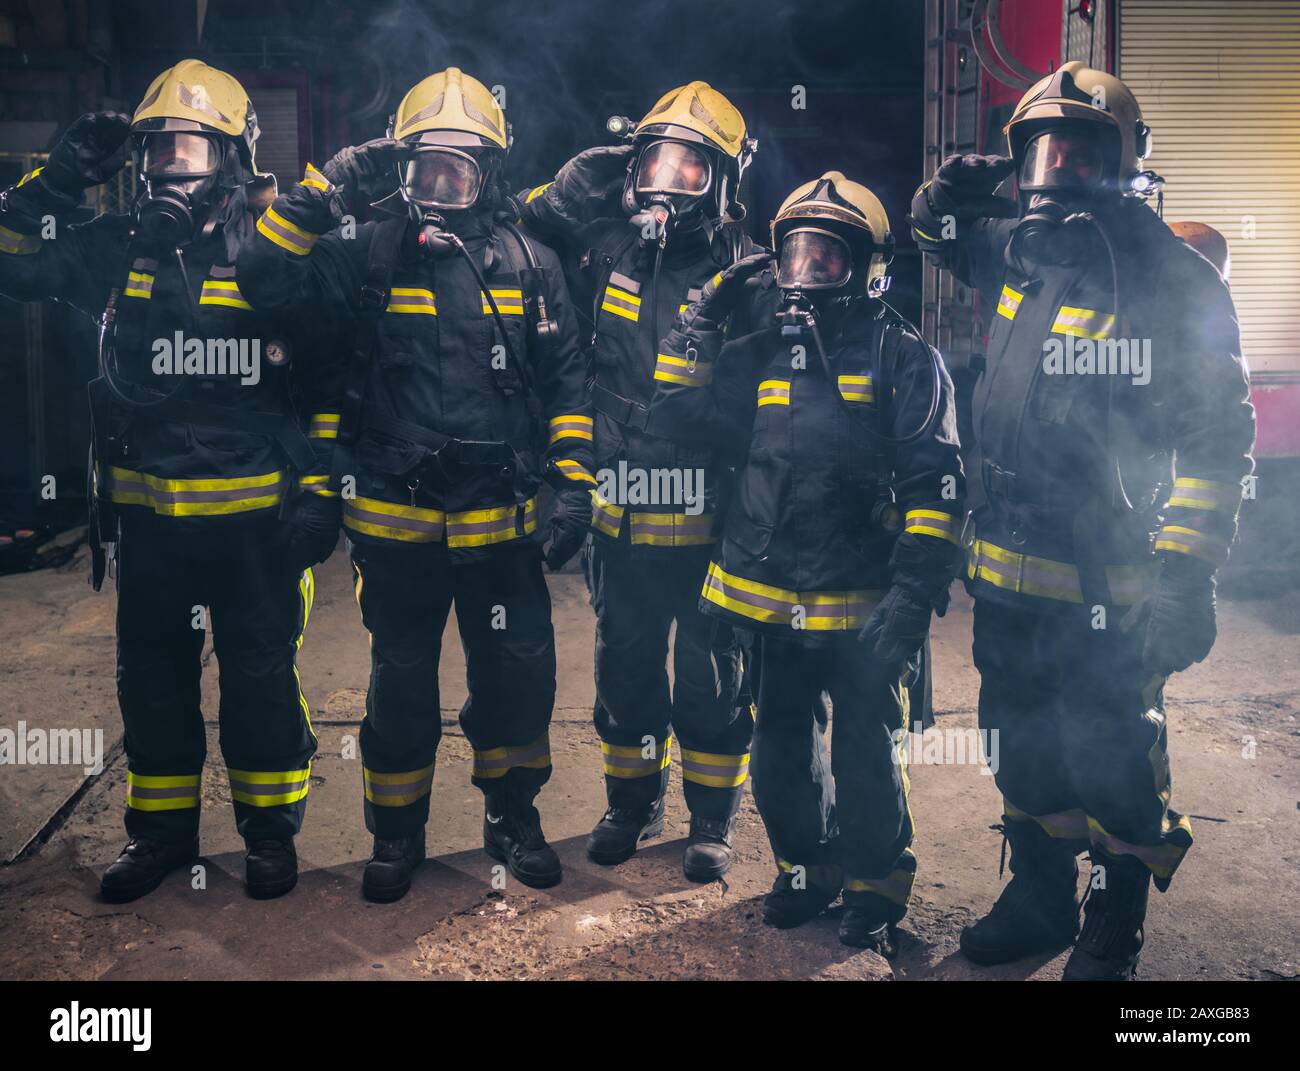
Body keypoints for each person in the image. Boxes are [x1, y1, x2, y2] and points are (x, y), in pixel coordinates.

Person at [910, 61, 1256, 979]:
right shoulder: (1024, 251)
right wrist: (948, 190)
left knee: (1111, 761)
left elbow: (1218, 442)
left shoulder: (1171, 280)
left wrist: (1187, 574)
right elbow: (932, 234)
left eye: (1080, 150)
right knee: (1018, 744)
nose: (1058, 169)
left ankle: (1113, 924)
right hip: (1009, 570)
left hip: (1113, 581)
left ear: (1124, 162)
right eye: (1041, 150)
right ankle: (1037, 898)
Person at [238, 67, 592, 902]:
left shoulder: (531, 266)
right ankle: (396, 835)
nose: (439, 190)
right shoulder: (362, 252)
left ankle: (513, 817)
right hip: (395, 526)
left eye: (457, 172)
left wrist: (573, 484)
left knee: (516, 680)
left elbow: (568, 386)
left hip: (501, 528)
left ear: (488, 176)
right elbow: (263, 278)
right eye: (423, 170)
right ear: (399, 173)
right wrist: (321, 193)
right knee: (400, 686)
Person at [0, 60, 327, 902]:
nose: (171, 170)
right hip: (148, 526)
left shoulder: (273, 251)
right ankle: (160, 838)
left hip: (256, 525)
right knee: (152, 682)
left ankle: (268, 835)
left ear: (233, 159)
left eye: (191, 149)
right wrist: (60, 178)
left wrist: (325, 491)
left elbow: (332, 376)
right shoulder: (119, 249)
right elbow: (12, 261)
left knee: (258, 680)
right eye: (158, 152)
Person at [652, 172, 964, 950]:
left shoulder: (905, 358)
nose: (805, 273)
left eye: (827, 258)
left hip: (863, 611)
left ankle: (875, 888)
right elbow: (679, 415)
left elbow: (937, 483)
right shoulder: (757, 353)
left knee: (865, 751)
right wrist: (703, 323)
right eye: (794, 255)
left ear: (866, 268)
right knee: (780, 749)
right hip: (769, 607)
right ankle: (805, 869)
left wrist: (912, 595)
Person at [518, 82, 771, 881]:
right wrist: (566, 191)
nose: (668, 182)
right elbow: (524, 225)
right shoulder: (608, 250)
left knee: (710, 677)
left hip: (707, 526)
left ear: (724, 182)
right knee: (625, 673)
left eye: (691, 167)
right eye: (656, 161)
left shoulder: (750, 274)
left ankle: (710, 820)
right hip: (620, 523)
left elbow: (762, 408)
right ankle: (630, 804)